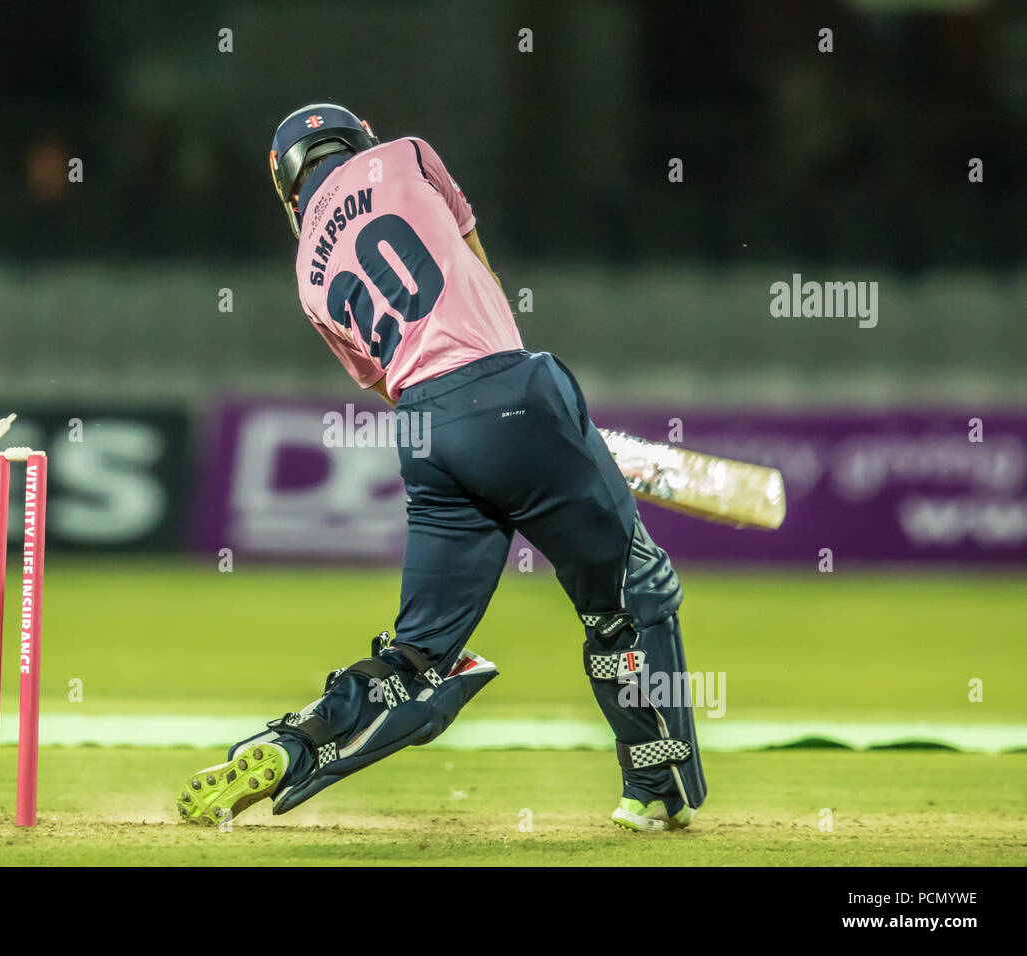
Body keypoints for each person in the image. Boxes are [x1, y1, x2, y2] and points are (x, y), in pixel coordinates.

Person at [177, 103, 705, 832]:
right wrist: (546, 421)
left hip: (427, 435)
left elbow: (391, 377)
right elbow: (477, 265)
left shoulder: (307, 272)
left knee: (419, 658)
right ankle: (656, 785)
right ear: (357, 139)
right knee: (629, 594)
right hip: (514, 390)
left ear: (287, 185)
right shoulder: (408, 155)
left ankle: (294, 745)